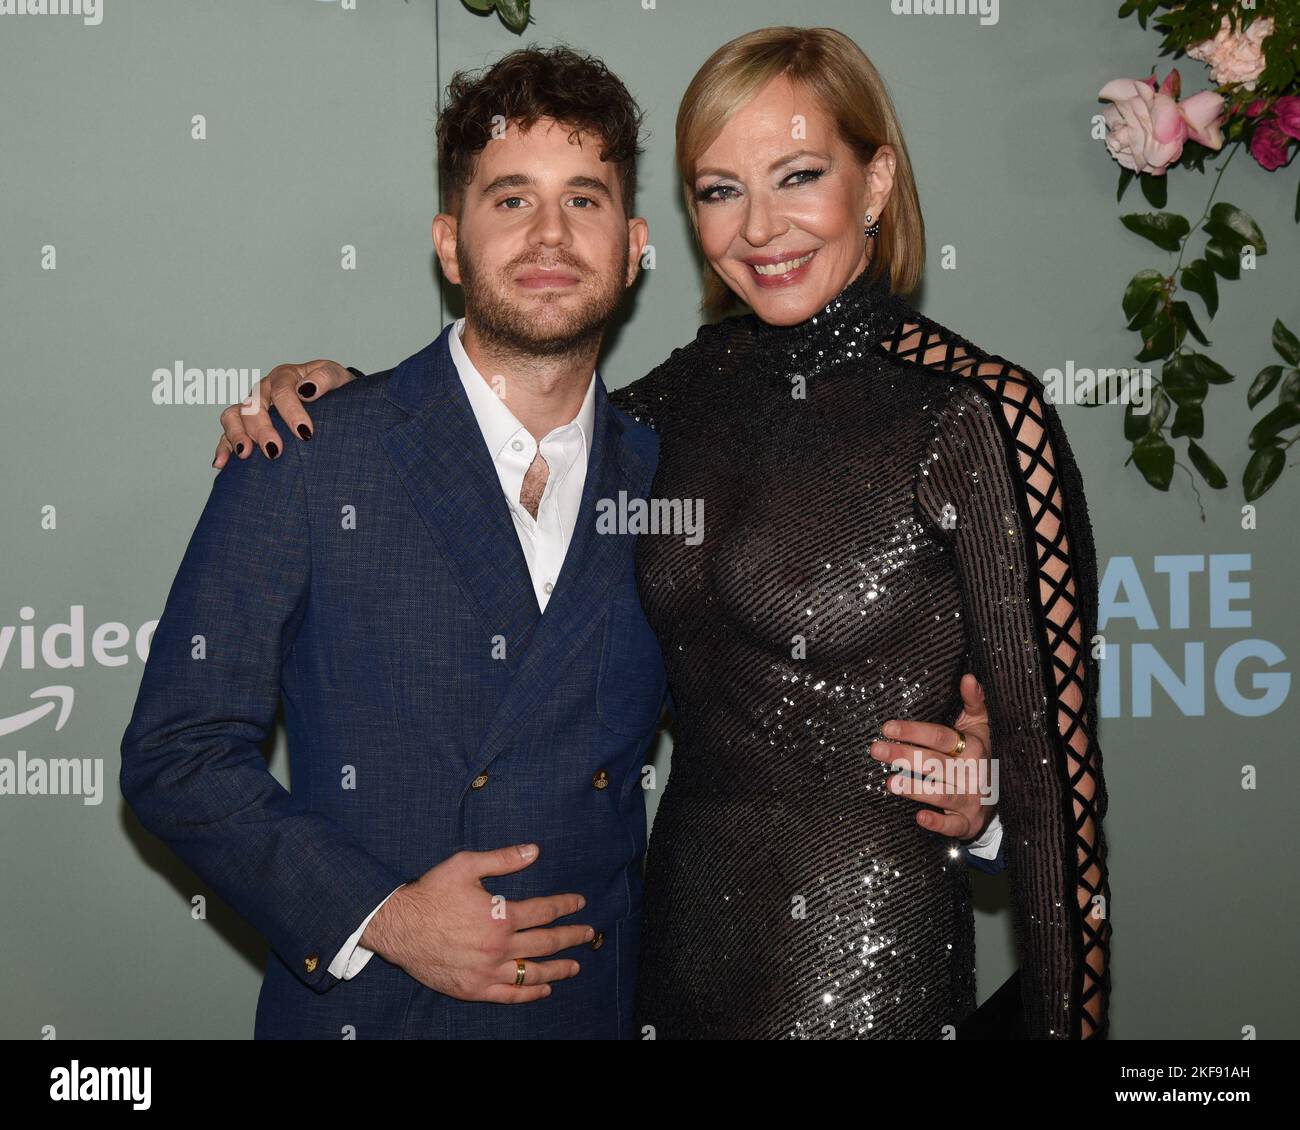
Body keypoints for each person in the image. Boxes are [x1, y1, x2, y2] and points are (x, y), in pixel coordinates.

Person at [124, 43, 1005, 1042]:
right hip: (371, 1015)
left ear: (634, 246)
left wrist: (974, 793)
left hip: (598, 1011)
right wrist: (385, 915)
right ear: (449, 245)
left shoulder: (673, 472)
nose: (550, 234)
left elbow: (764, 735)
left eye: (583, 200)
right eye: (511, 200)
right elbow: (176, 754)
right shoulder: (309, 452)